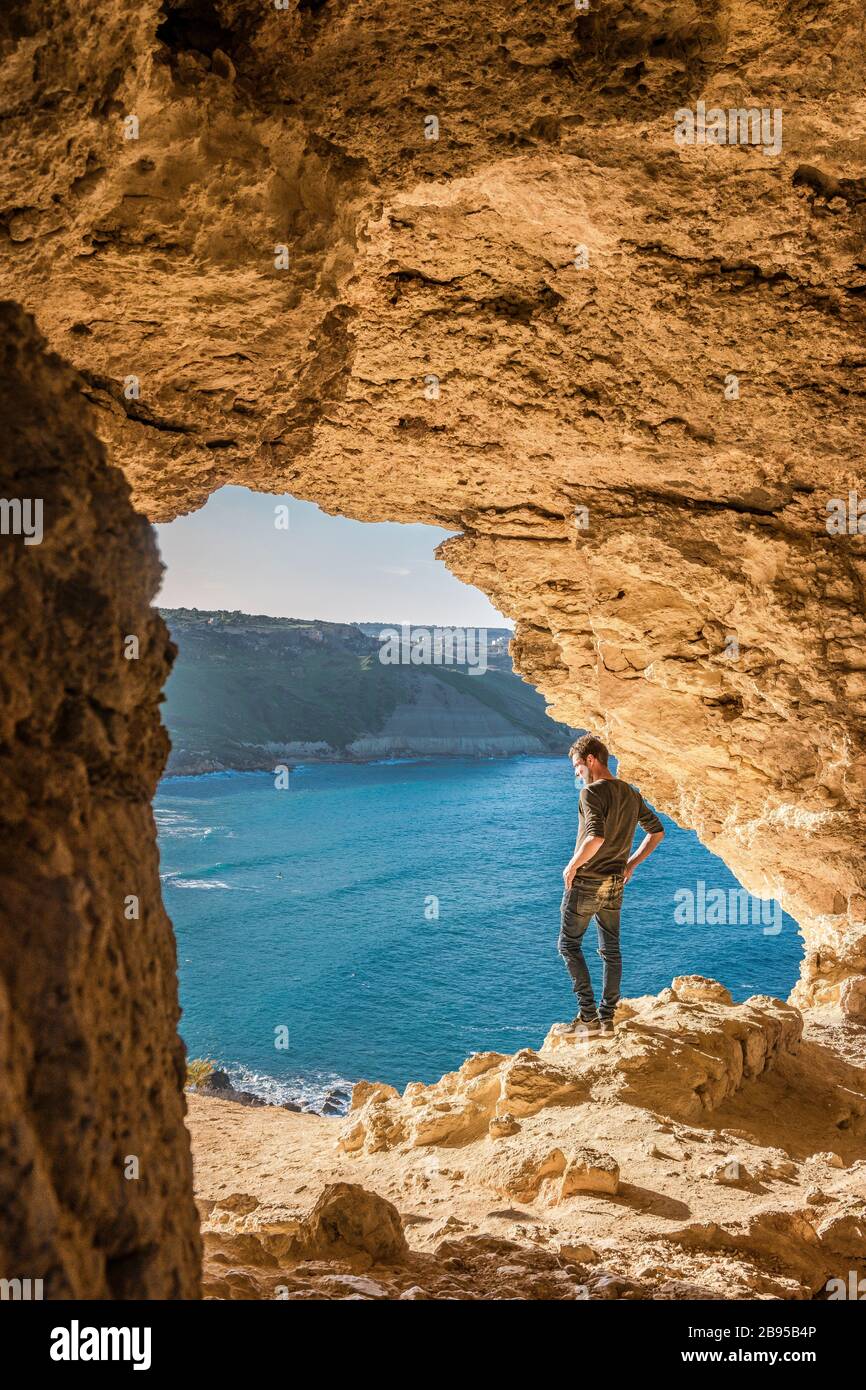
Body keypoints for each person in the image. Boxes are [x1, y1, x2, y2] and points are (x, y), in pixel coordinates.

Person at [558, 733, 665, 1037]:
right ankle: (607, 1019)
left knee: (568, 945)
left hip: (588, 882)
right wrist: (630, 864)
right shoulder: (630, 794)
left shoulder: (591, 794)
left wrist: (572, 865)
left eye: (578, 766)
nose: (577, 773)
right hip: (615, 883)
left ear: (591, 760)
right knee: (611, 950)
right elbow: (656, 831)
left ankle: (588, 1018)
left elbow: (596, 837)